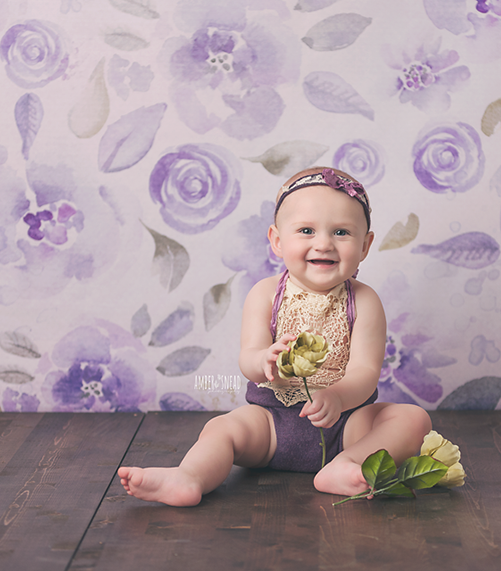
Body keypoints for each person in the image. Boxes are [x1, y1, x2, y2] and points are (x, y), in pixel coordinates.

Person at [118, 167, 432, 506]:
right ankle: (189, 477)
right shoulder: (265, 294)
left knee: (413, 419)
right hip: (271, 425)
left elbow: (366, 372)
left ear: (365, 245)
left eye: (341, 232)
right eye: (306, 230)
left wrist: (338, 397)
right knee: (222, 428)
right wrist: (263, 360)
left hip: (345, 427)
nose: (323, 243)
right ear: (278, 241)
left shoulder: (365, 301)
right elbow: (248, 357)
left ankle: (347, 465)